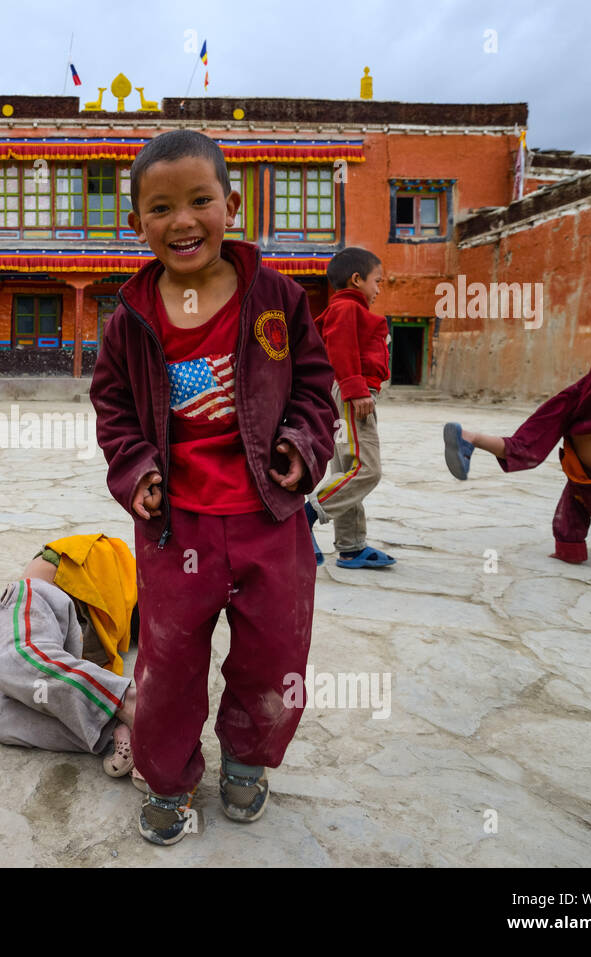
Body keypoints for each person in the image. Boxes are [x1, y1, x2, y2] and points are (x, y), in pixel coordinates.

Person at [90, 129, 337, 845]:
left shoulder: (278, 299)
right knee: (169, 661)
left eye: (200, 200)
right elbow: (113, 409)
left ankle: (249, 763)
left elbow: (316, 387)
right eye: (161, 208)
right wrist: (136, 471)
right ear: (136, 224)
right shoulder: (129, 320)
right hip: (178, 526)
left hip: (270, 516)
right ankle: (169, 779)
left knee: (273, 653)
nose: (183, 220)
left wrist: (302, 444)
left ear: (231, 203)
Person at [442, 262, 591, 563]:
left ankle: (469, 437)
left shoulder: (580, 497)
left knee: (528, 451)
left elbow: (567, 523)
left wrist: (571, 551)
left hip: (578, 425)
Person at [0, 534, 145, 789]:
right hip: (41, 594)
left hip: (69, 639)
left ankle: (115, 725)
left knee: (1, 717)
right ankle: (129, 702)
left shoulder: (115, 630)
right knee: (14, 659)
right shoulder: (110, 554)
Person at [305, 246, 395, 569]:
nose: (378, 289)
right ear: (357, 279)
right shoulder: (346, 309)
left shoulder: (346, 309)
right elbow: (342, 351)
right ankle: (307, 515)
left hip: (347, 392)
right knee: (367, 469)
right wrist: (356, 390)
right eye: (377, 281)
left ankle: (351, 546)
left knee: (346, 470)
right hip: (352, 394)